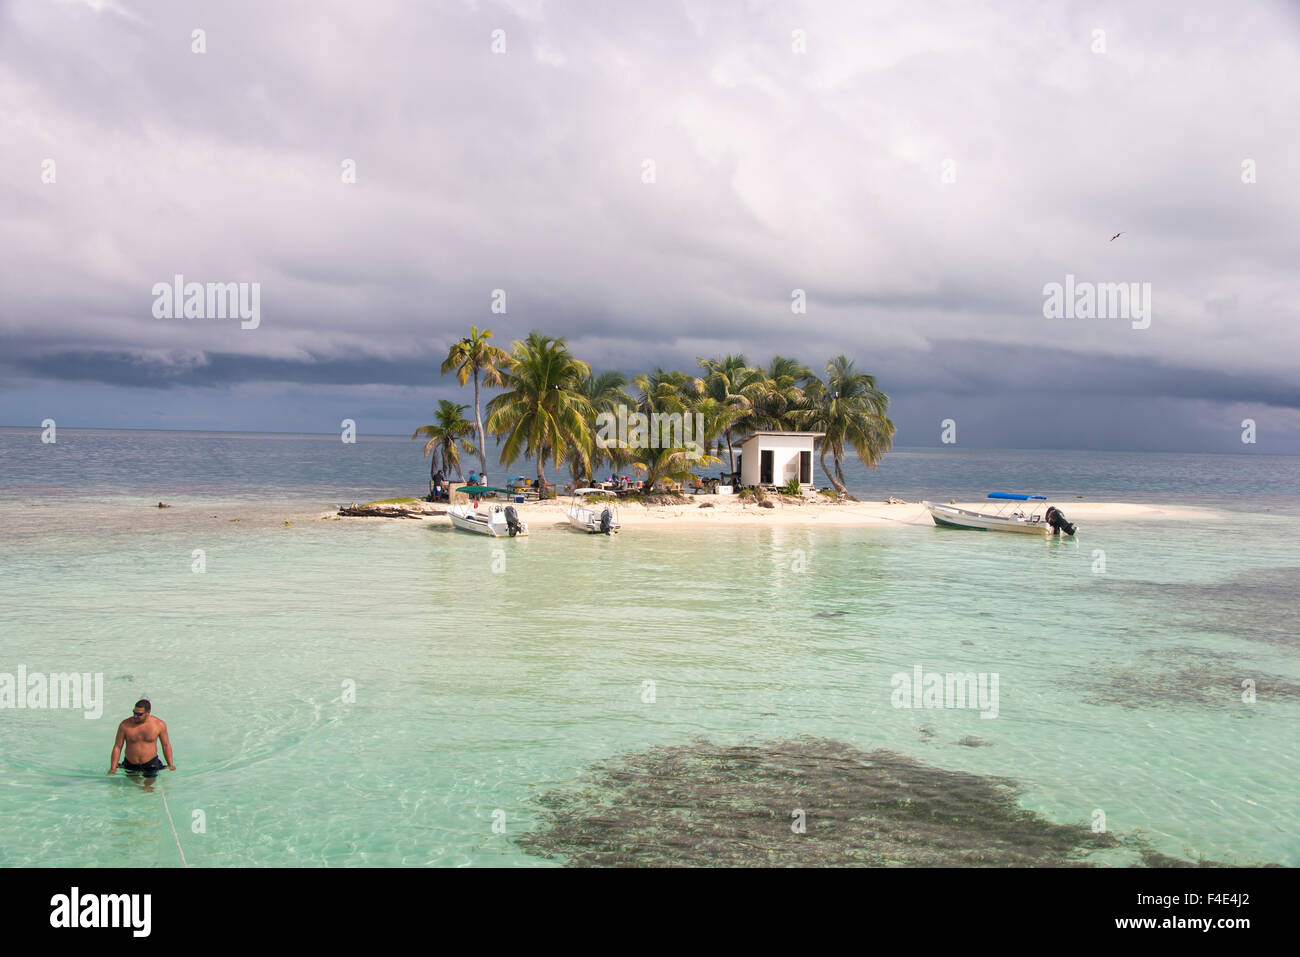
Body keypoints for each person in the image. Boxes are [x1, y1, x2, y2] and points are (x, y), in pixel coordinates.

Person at [109, 699, 174, 778]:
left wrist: (170, 765)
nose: (135, 716)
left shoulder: (159, 725)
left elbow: (165, 745)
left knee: (148, 788)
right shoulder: (125, 725)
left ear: (148, 713)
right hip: (130, 763)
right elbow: (118, 746)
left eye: (139, 714)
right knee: (132, 788)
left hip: (151, 764)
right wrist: (113, 768)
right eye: (134, 712)